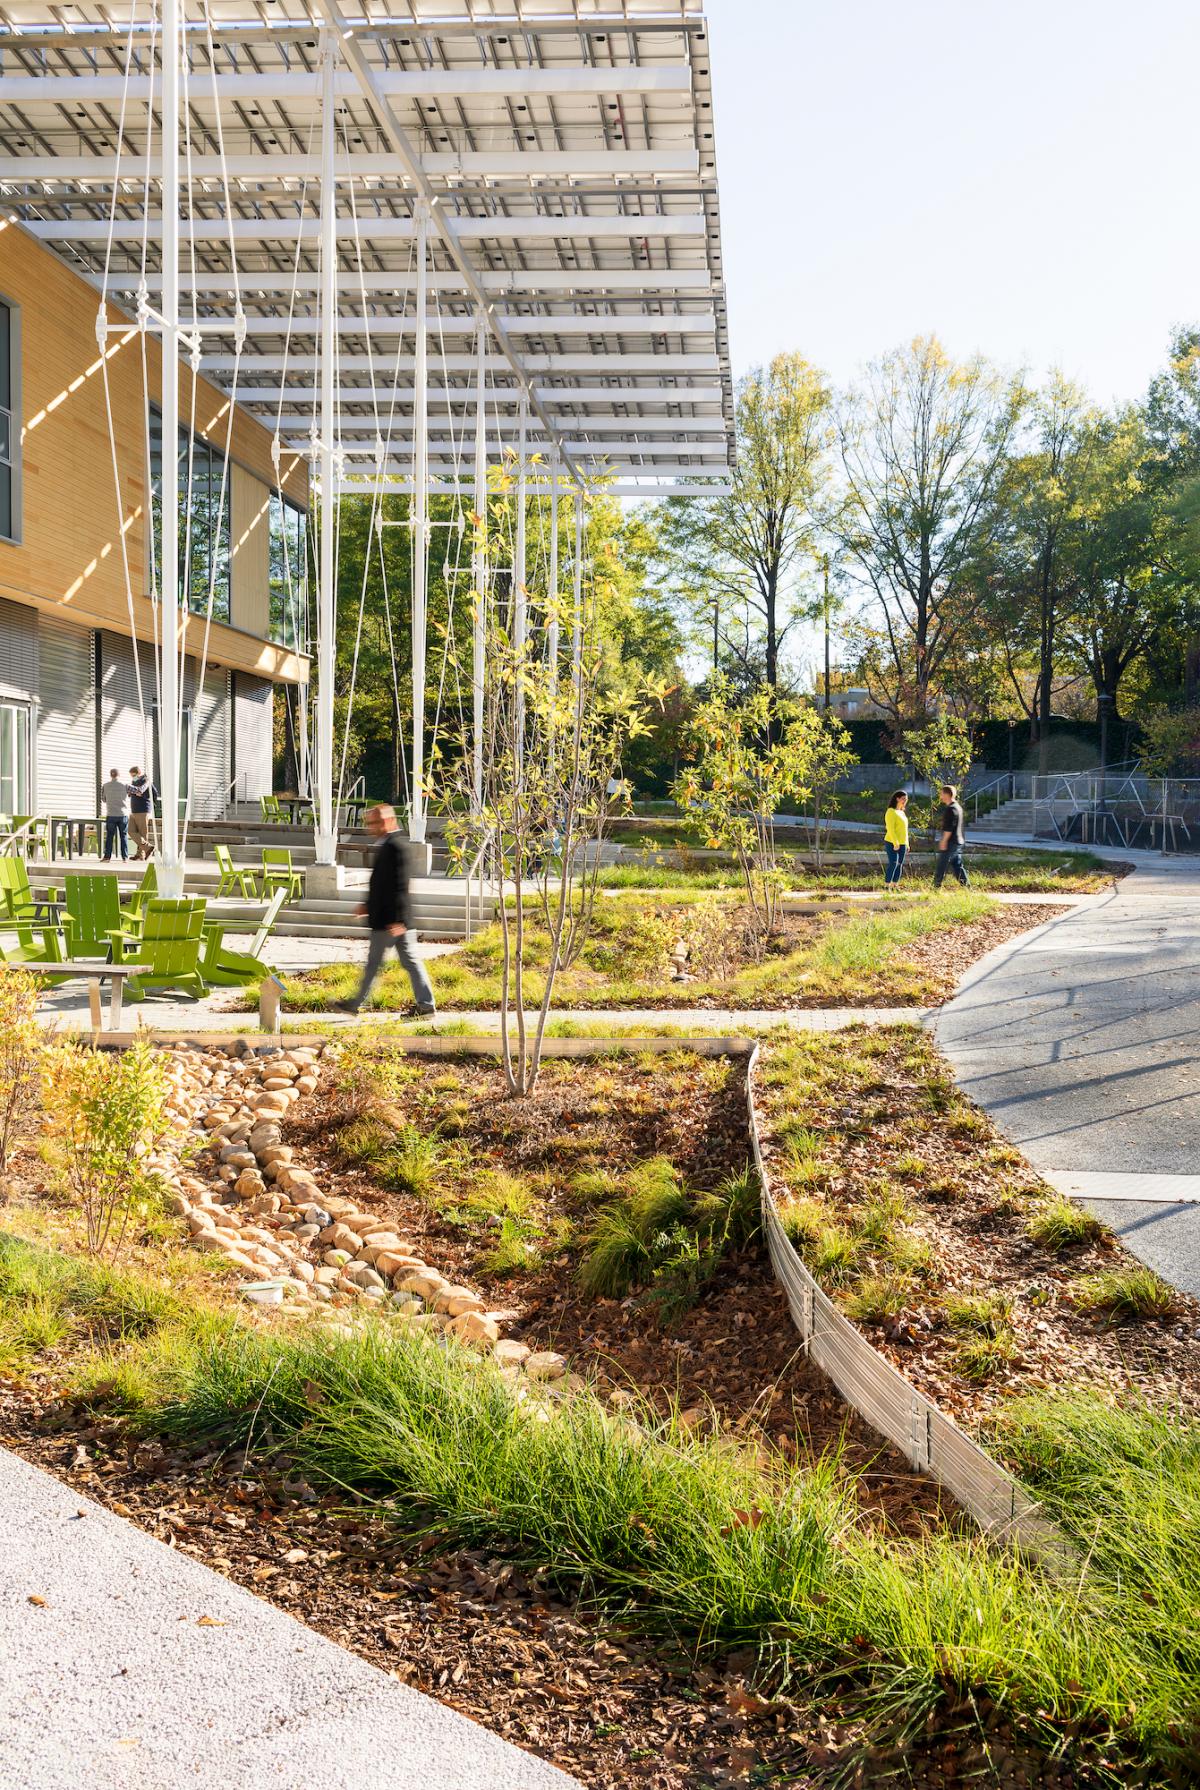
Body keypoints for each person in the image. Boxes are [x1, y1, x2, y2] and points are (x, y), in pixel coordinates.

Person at [336, 804, 436, 1016]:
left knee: (381, 964)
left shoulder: (396, 847)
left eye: (377, 822)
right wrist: (367, 905)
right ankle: (425, 1005)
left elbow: (400, 885)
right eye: (370, 823)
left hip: (391, 921)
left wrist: (398, 919)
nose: (373, 827)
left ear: (390, 821)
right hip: (388, 919)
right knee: (396, 962)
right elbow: (382, 884)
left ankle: (425, 1005)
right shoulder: (387, 845)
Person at [933, 783, 969, 888]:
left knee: (942, 865)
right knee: (957, 865)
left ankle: (936, 887)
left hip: (951, 842)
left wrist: (944, 840)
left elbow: (949, 828)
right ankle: (966, 887)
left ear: (947, 794)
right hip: (958, 841)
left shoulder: (951, 809)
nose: (940, 796)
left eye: (942, 794)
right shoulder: (958, 807)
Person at [127, 765, 158, 861]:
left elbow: (155, 794)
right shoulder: (134, 782)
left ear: (139, 773)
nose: (133, 777)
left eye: (134, 775)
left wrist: (143, 795)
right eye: (131, 775)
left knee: (142, 832)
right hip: (134, 810)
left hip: (143, 810)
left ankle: (141, 854)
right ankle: (146, 848)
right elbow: (132, 792)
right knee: (131, 831)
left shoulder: (146, 781)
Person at [100, 767, 130, 861]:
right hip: (122, 814)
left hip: (111, 813)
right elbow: (130, 794)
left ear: (110, 775)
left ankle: (107, 857)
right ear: (119, 775)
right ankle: (125, 857)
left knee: (109, 836)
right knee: (123, 836)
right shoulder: (125, 785)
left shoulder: (105, 786)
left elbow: (103, 799)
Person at [883, 790, 909, 890]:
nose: (904, 801)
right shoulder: (891, 811)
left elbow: (905, 830)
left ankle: (895, 885)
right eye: (903, 799)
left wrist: (907, 843)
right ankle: (887, 885)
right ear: (897, 798)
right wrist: (895, 842)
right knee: (893, 863)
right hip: (891, 842)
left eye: (906, 799)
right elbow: (890, 829)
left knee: (899, 865)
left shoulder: (902, 812)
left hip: (902, 843)